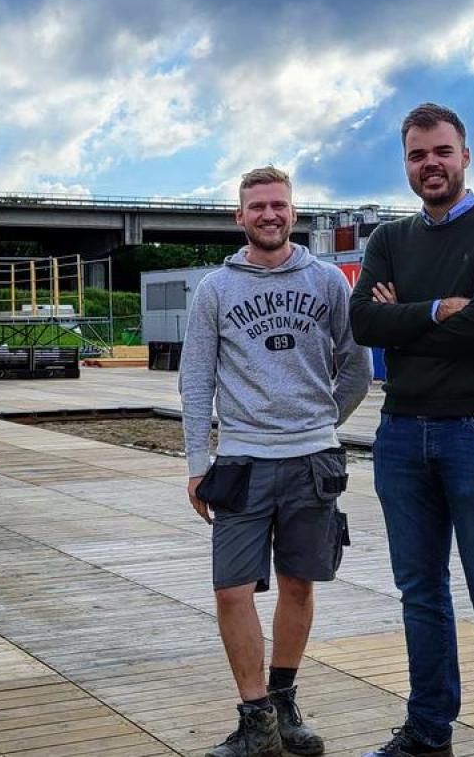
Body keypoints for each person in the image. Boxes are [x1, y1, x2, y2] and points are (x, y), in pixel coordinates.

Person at [350, 103, 474, 757]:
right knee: (421, 596)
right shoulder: (388, 241)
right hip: (403, 435)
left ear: (465, 155)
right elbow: (363, 326)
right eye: (416, 155)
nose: (429, 164)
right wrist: (438, 310)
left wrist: (407, 320)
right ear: (406, 163)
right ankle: (429, 733)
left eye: (441, 152)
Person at [180, 165, 372, 757]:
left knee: (298, 585)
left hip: (313, 461)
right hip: (239, 461)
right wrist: (196, 460)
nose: (269, 214)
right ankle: (254, 718)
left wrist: (318, 424)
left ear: (294, 213)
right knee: (232, 591)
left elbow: (358, 369)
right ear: (240, 217)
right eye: (257, 206)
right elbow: (195, 379)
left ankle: (284, 704)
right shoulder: (216, 289)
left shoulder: (328, 283)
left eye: (278, 205)